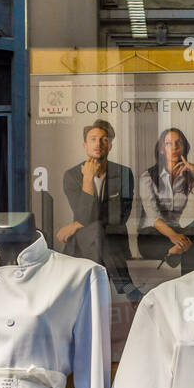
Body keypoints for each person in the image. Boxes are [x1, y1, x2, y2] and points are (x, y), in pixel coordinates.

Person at [57, 118, 139, 298]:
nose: (98, 143)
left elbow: (119, 217)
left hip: (111, 236)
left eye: (104, 139)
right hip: (85, 242)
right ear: (85, 145)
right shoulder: (72, 176)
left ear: (110, 145)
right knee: (96, 230)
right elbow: (83, 213)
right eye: (93, 139)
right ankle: (125, 286)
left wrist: (76, 225)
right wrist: (87, 179)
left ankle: (92, 293)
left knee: (98, 230)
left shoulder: (124, 174)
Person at [136, 127, 194, 274]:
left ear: (183, 148)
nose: (174, 147)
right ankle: (189, 287)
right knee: (192, 250)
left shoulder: (188, 177)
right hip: (151, 236)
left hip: (177, 231)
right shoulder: (148, 176)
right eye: (169, 143)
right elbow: (153, 216)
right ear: (162, 149)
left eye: (178, 143)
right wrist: (175, 237)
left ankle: (174, 253)